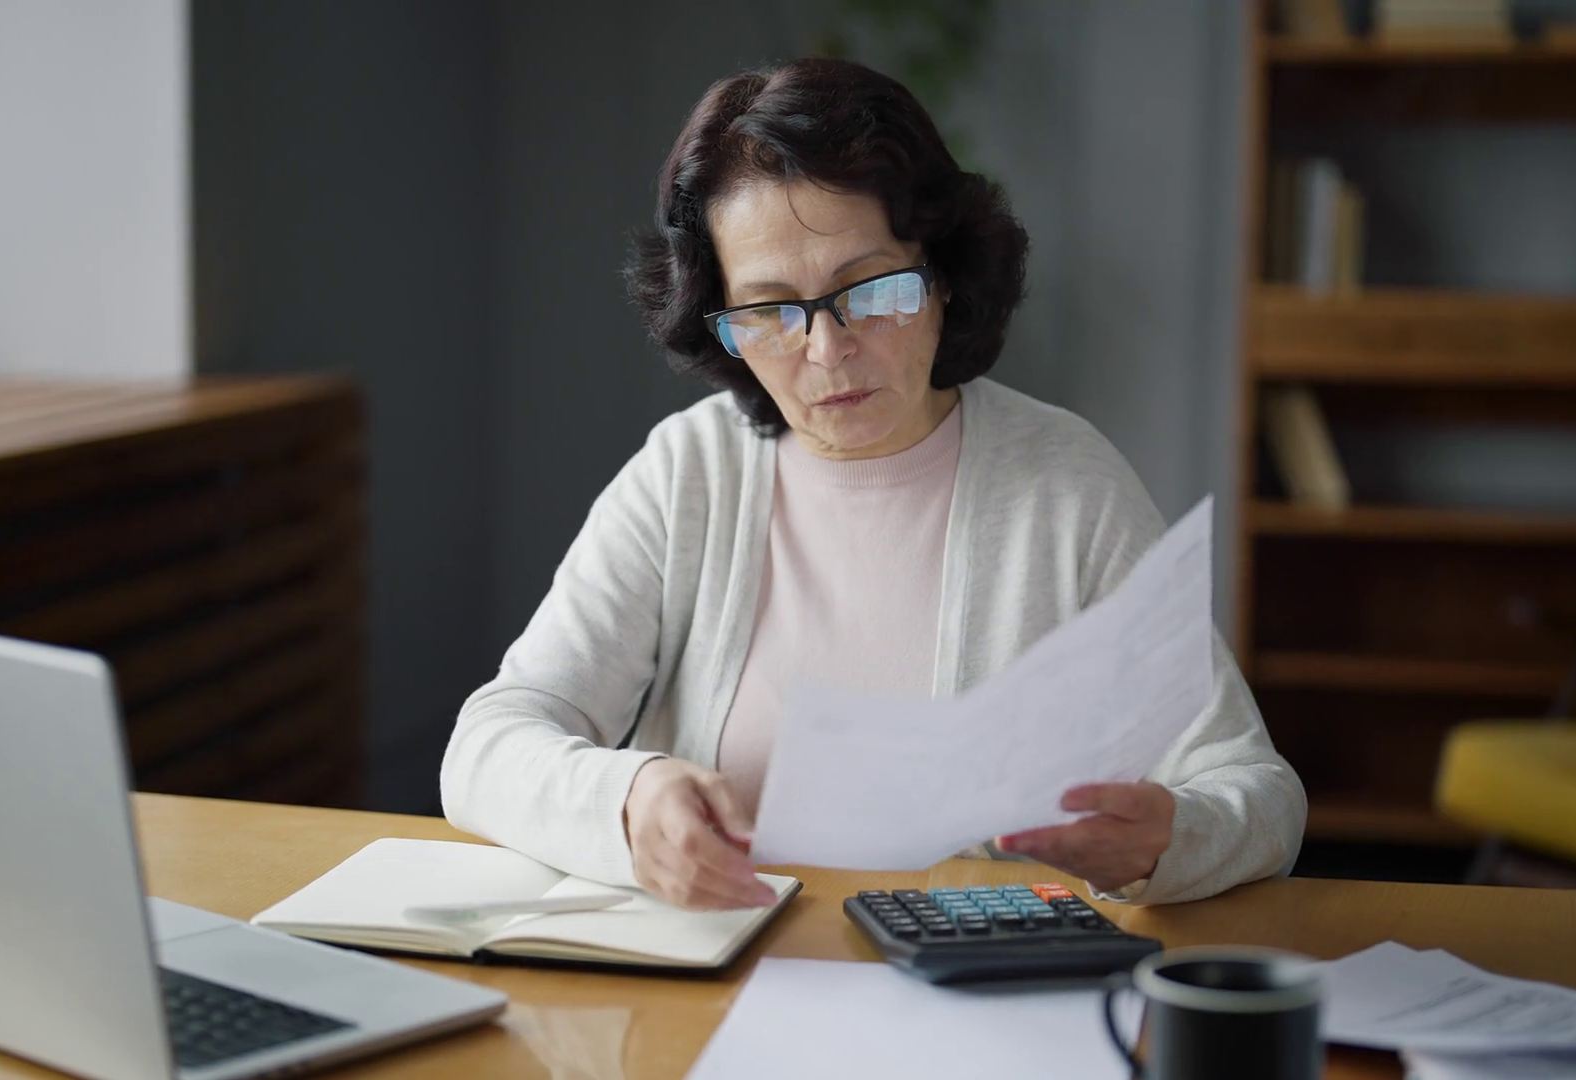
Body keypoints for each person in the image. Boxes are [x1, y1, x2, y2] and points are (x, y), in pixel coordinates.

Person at [441, 57, 1304, 912]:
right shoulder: (688, 475)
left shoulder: (1064, 482)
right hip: (721, 987)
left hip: (977, 1003)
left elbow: (1258, 792)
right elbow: (487, 745)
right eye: (770, 310)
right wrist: (627, 802)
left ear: (941, 276)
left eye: (869, 289)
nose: (827, 350)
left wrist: (1168, 841)